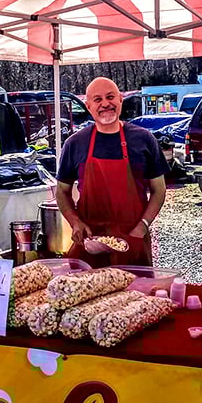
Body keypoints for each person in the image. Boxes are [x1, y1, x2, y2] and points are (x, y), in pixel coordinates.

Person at [56, 77, 168, 266]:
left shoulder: (144, 140)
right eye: (98, 100)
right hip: (89, 242)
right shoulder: (75, 144)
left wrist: (143, 226)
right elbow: (62, 192)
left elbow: (159, 190)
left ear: (120, 99)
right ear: (88, 105)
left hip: (132, 241)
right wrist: (75, 222)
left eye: (110, 97)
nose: (105, 104)